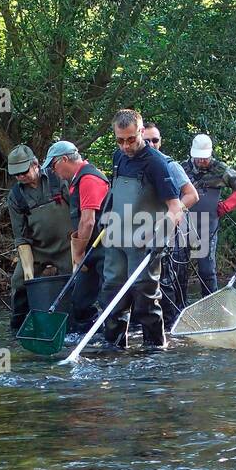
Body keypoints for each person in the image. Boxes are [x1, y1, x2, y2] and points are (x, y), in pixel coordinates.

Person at [95, 110, 185, 350]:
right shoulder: (118, 157)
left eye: (131, 139)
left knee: (144, 294)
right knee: (112, 292)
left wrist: (160, 236)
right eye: (120, 140)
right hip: (116, 237)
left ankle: (154, 349)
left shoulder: (156, 163)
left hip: (144, 241)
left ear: (141, 132)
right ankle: (113, 347)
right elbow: (114, 193)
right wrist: (106, 218)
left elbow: (176, 208)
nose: (125, 145)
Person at [45, 140, 110, 333]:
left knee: (108, 299)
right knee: (80, 301)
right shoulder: (77, 180)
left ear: (64, 159)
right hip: (92, 250)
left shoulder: (89, 178)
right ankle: (89, 337)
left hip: (103, 249)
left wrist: (78, 252)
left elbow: (88, 221)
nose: (53, 172)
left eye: (53, 166)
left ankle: (112, 343)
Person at [6, 144, 74, 331]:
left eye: (23, 171)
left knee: (76, 280)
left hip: (67, 246)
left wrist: (80, 246)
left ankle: (75, 325)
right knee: (19, 281)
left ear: (35, 164)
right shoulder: (15, 196)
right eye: (16, 174)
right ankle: (19, 328)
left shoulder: (58, 178)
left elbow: (77, 213)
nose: (20, 176)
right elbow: (21, 237)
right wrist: (28, 273)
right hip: (38, 250)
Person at [178, 133, 236, 301]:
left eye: (206, 157)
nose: (203, 161)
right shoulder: (181, 168)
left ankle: (211, 306)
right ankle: (178, 307)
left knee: (206, 270)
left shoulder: (220, 169)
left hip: (207, 228)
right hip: (182, 226)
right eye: (199, 158)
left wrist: (227, 205)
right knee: (179, 268)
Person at [141, 123, 200, 320]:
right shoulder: (133, 165)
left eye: (155, 140)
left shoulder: (170, 165)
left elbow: (191, 195)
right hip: (143, 232)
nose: (151, 144)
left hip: (173, 234)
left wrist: (172, 215)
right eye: (147, 140)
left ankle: (175, 328)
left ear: (160, 141)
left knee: (171, 283)